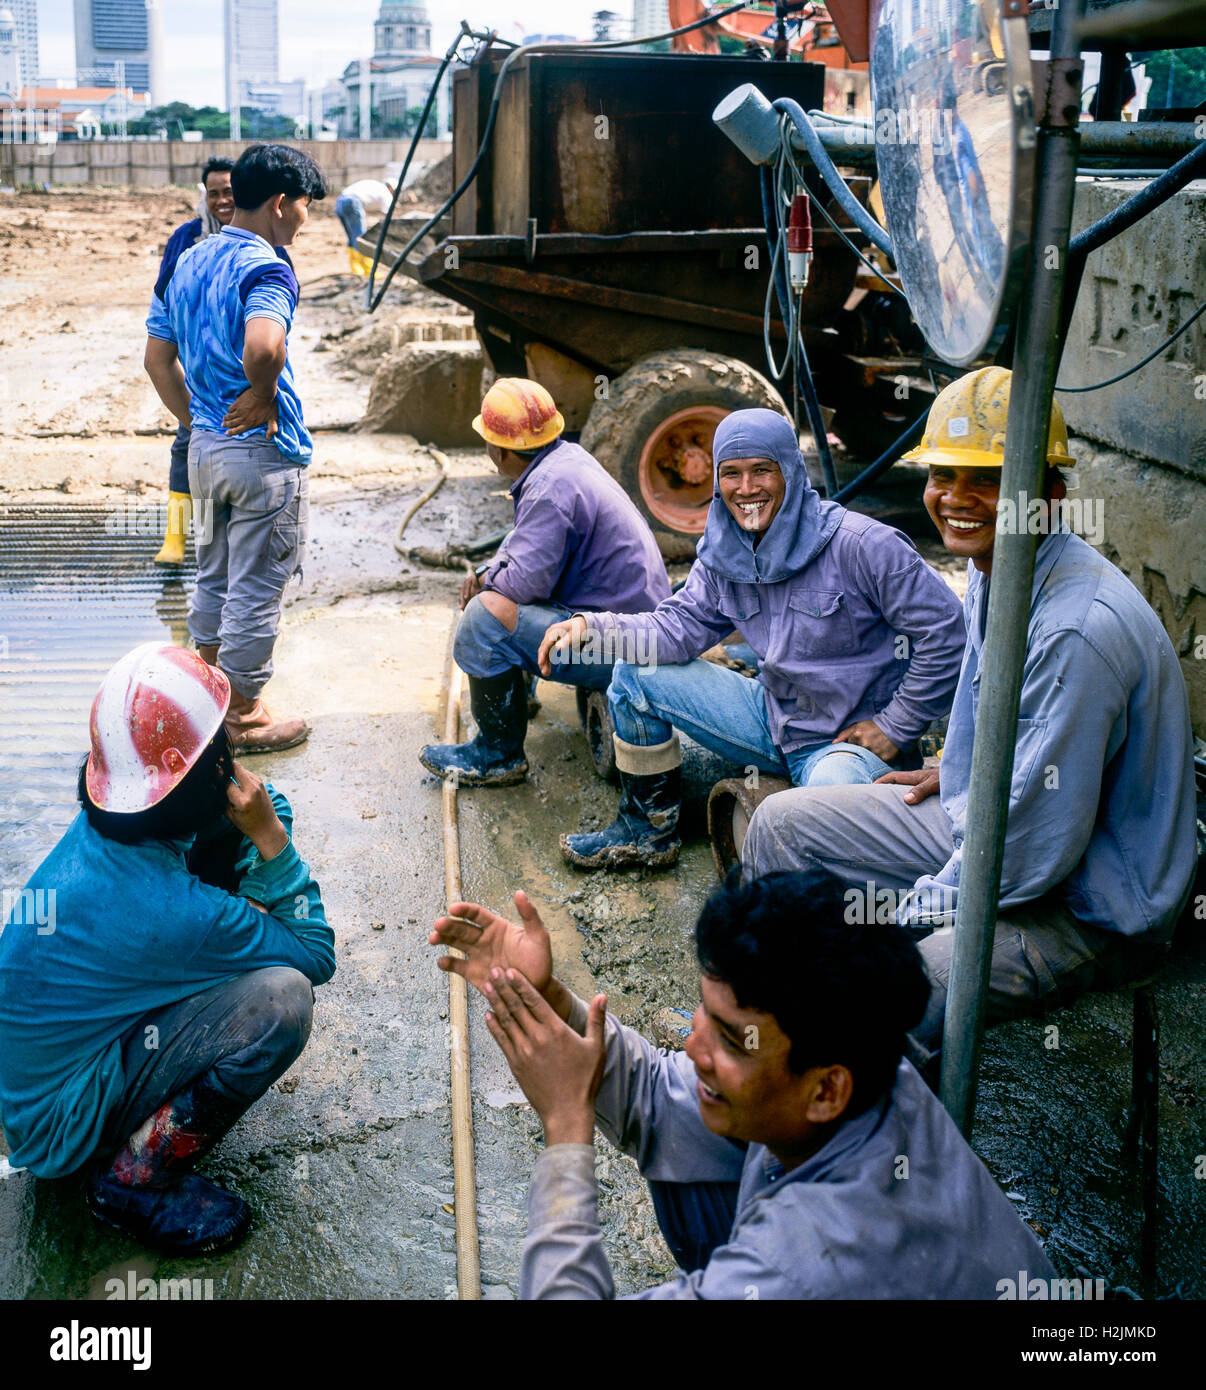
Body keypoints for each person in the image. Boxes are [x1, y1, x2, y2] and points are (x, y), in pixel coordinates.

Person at [743, 368, 1198, 1059]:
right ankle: (763, 1034)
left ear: (1047, 495)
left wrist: (895, 921)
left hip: (1088, 906)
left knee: (886, 990)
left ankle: (854, 1129)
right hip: (1004, 833)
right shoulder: (998, 565)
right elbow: (993, 717)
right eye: (942, 476)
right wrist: (953, 768)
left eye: (985, 481)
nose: (954, 500)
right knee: (781, 824)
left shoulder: (1078, 628)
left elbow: (1026, 855)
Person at [430, 869, 1058, 1298]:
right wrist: (550, 999)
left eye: (732, 1039)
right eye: (704, 1015)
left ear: (825, 1091)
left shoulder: (811, 1263)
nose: (692, 1046)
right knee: (687, 1137)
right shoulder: (868, 1063)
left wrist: (567, 1125)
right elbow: (654, 1091)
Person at [0, 644, 334, 1255]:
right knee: (281, 1002)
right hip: (61, 1125)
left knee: (230, 865)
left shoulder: (120, 813)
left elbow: (267, 796)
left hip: (48, 1077)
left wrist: (259, 829)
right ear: (200, 772)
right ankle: (132, 1184)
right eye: (221, 746)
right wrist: (270, 840)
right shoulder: (164, 908)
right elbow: (314, 953)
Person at [538, 407, 966, 870]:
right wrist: (592, 627)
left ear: (791, 471)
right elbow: (676, 631)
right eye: (731, 474)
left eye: (762, 470)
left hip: (848, 747)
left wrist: (896, 725)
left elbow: (949, 635)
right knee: (635, 672)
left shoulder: (864, 546)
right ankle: (646, 832)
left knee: (816, 816)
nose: (746, 489)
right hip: (774, 722)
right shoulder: (725, 551)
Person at [144, 143, 327, 753]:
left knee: (214, 574)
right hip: (261, 453)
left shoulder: (188, 261)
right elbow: (263, 347)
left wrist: (200, 421)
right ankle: (242, 718)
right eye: (304, 207)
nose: (305, 219)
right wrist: (264, 394)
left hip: (205, 452)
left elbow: (156, 358)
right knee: (255, 585)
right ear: (280, 203)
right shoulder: (268, 268)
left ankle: (211, 697)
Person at [419, 377, 670, 787]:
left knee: (485, 617)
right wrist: (491, 570)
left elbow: (523, 586)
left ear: (498, 450)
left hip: (630, 650)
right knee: (500, 593)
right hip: (637, 629)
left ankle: (497, 755)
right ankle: (518, 692)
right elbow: (525, 548)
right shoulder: (564, 460)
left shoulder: (549, 490)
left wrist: (487, 582)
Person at [145, 156, 294, 566]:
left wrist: (264, 391)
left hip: (245, 386)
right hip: (205, 384)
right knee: (184, 448)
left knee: (207, 466)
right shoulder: (187, 239)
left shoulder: (270, 249)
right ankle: (177, 537)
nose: (222, 200)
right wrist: (203, 416)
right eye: (214, 193)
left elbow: (271, 330)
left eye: (229, 191)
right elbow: (165, 307)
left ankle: (210, 553)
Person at [333, 176, 394, 277]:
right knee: (362, 238)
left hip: (340, 201)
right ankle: (369, 271)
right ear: (391, 188)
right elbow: (388, 216)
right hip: (352, 202)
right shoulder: (386, 193)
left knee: (352, 236)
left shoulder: (375, 184)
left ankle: (356, 268)